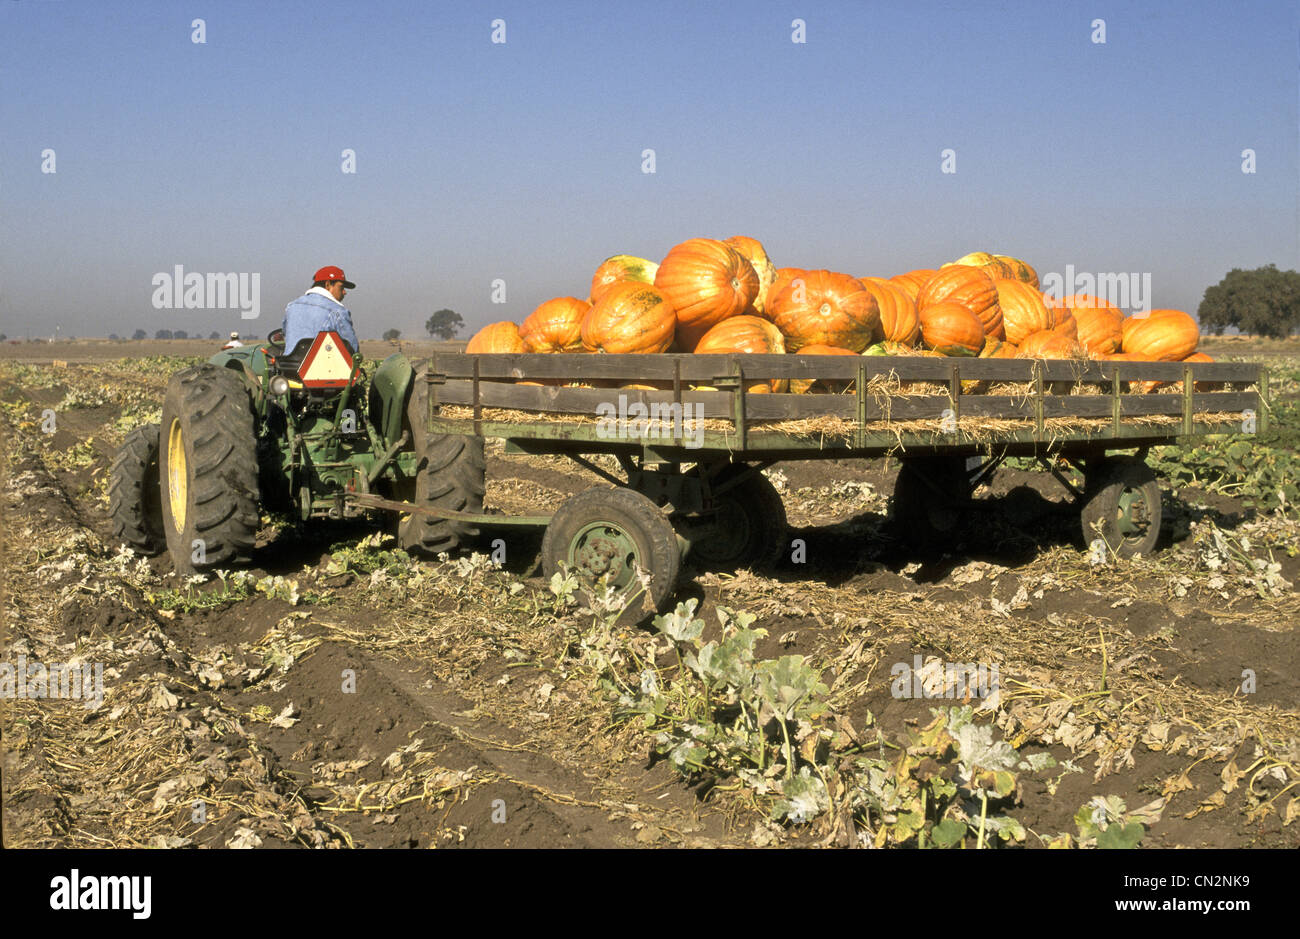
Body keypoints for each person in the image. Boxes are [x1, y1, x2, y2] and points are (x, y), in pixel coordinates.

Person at [281, 265, 361, 354]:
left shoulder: (291, 307)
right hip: (321, 367)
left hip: (289, 366)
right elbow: (352, 349)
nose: (344, 292)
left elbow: (285, 333)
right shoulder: (337, 311)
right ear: (328, 285)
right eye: (341, 287)